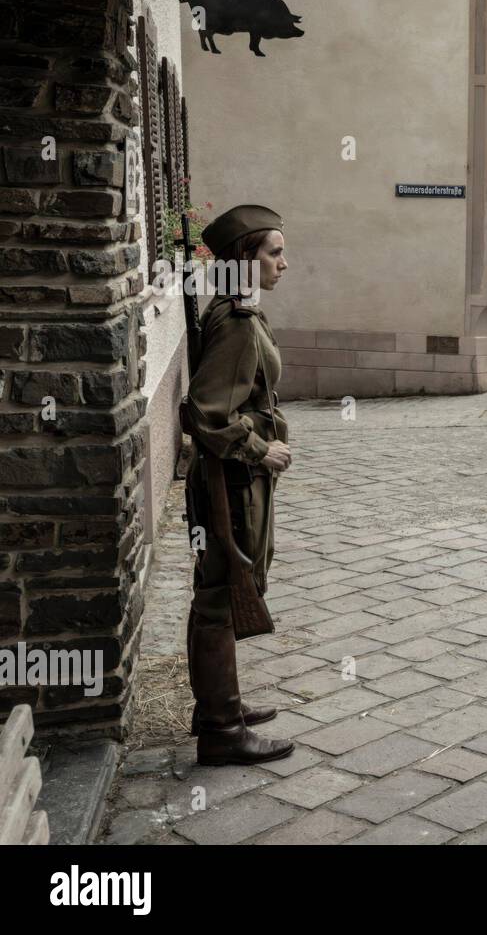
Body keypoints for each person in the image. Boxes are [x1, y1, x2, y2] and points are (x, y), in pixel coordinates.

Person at [183, 204, 295, 765]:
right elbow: (206, 413)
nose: (284, 263)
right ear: (246, 258)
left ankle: (217, 707)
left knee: (217, 593)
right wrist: (260, 447)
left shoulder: (237, 311)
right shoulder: (236, 322)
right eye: (275, 252)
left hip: (230, 478)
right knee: (224, 596)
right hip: (230, 481)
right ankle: (222, 731)